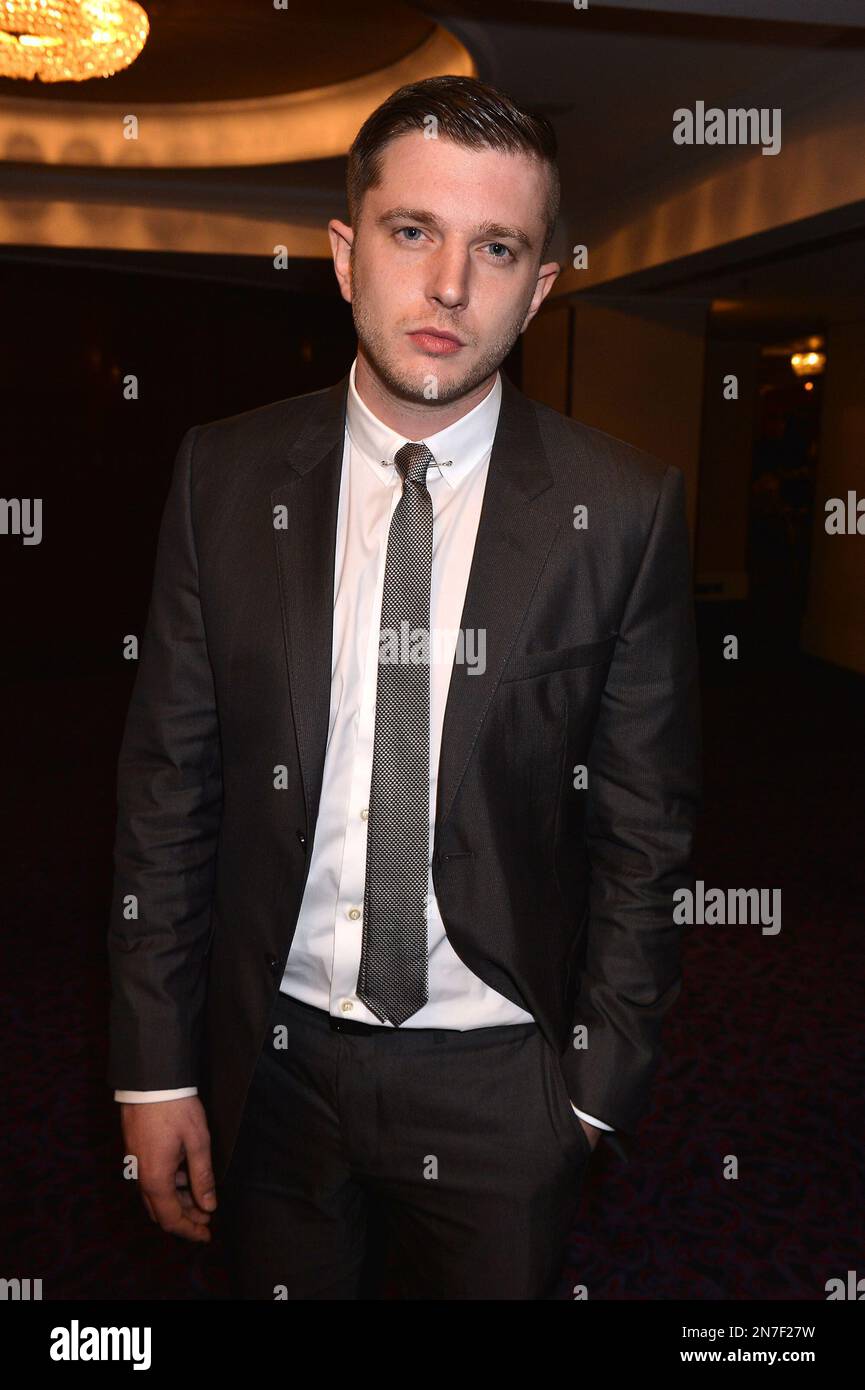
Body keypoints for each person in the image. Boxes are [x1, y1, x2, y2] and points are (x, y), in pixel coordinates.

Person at [108, 74, 701, 1300]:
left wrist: (591, 1092)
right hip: (269, 1058)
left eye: (496, 248)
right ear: (344, 252)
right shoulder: (224, 475)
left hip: (502, 1079)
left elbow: (645, 832)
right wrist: (157, 1070)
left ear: (538, 288)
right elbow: (171, 788)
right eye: (412, 231)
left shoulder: (621, 510)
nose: (448, 287)